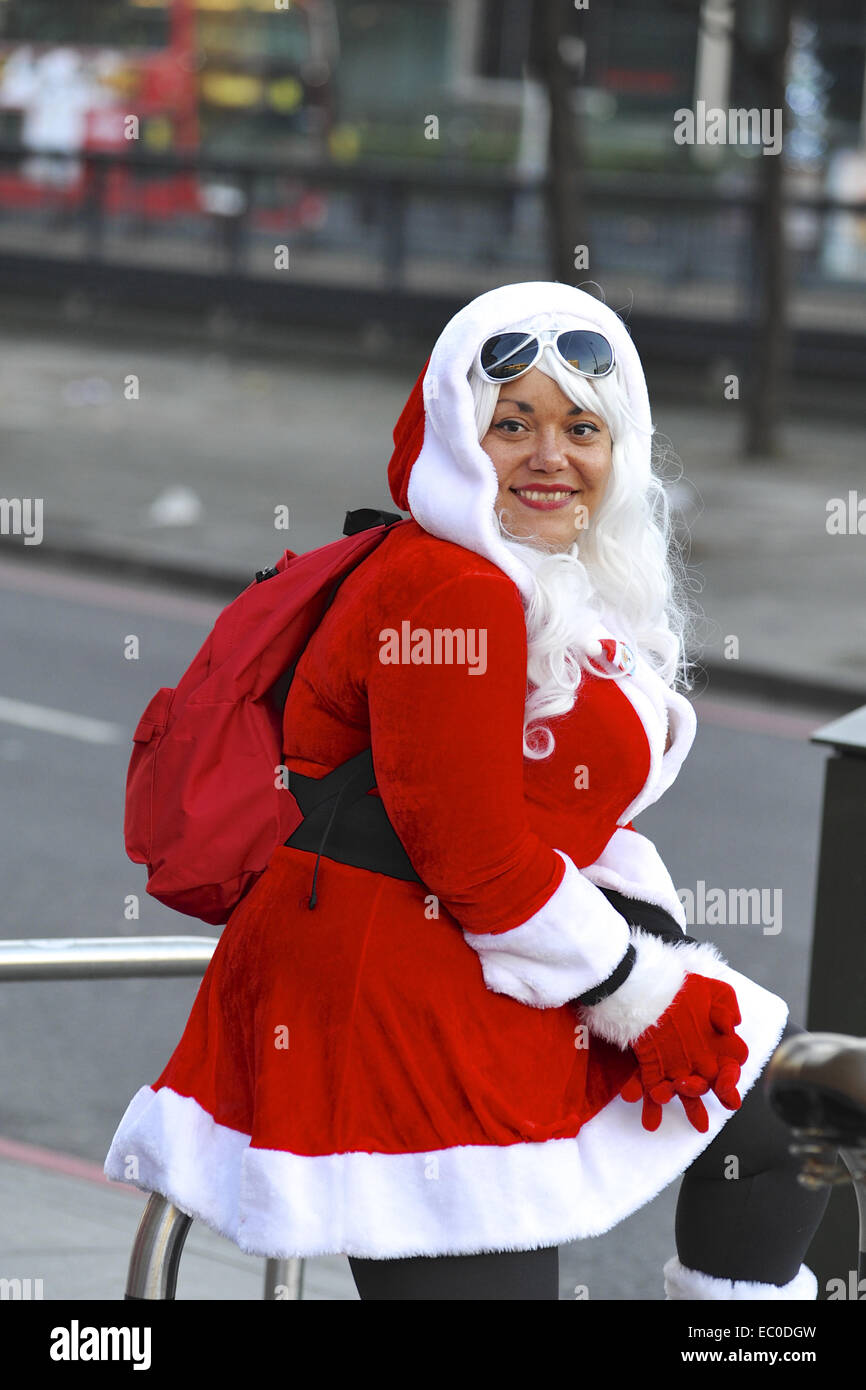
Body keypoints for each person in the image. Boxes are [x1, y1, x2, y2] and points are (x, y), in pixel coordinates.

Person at [105, 281, 831, 1301]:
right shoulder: (454, 587)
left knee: (774, 1111)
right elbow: (475, 854)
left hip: (500, 966)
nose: (548, 455)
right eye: (510, 423)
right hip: (396, 1008)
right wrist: (641, 992)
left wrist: (649, 967)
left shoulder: (532, 577)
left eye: (581, 425)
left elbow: (550, 816)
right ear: (453, 431)